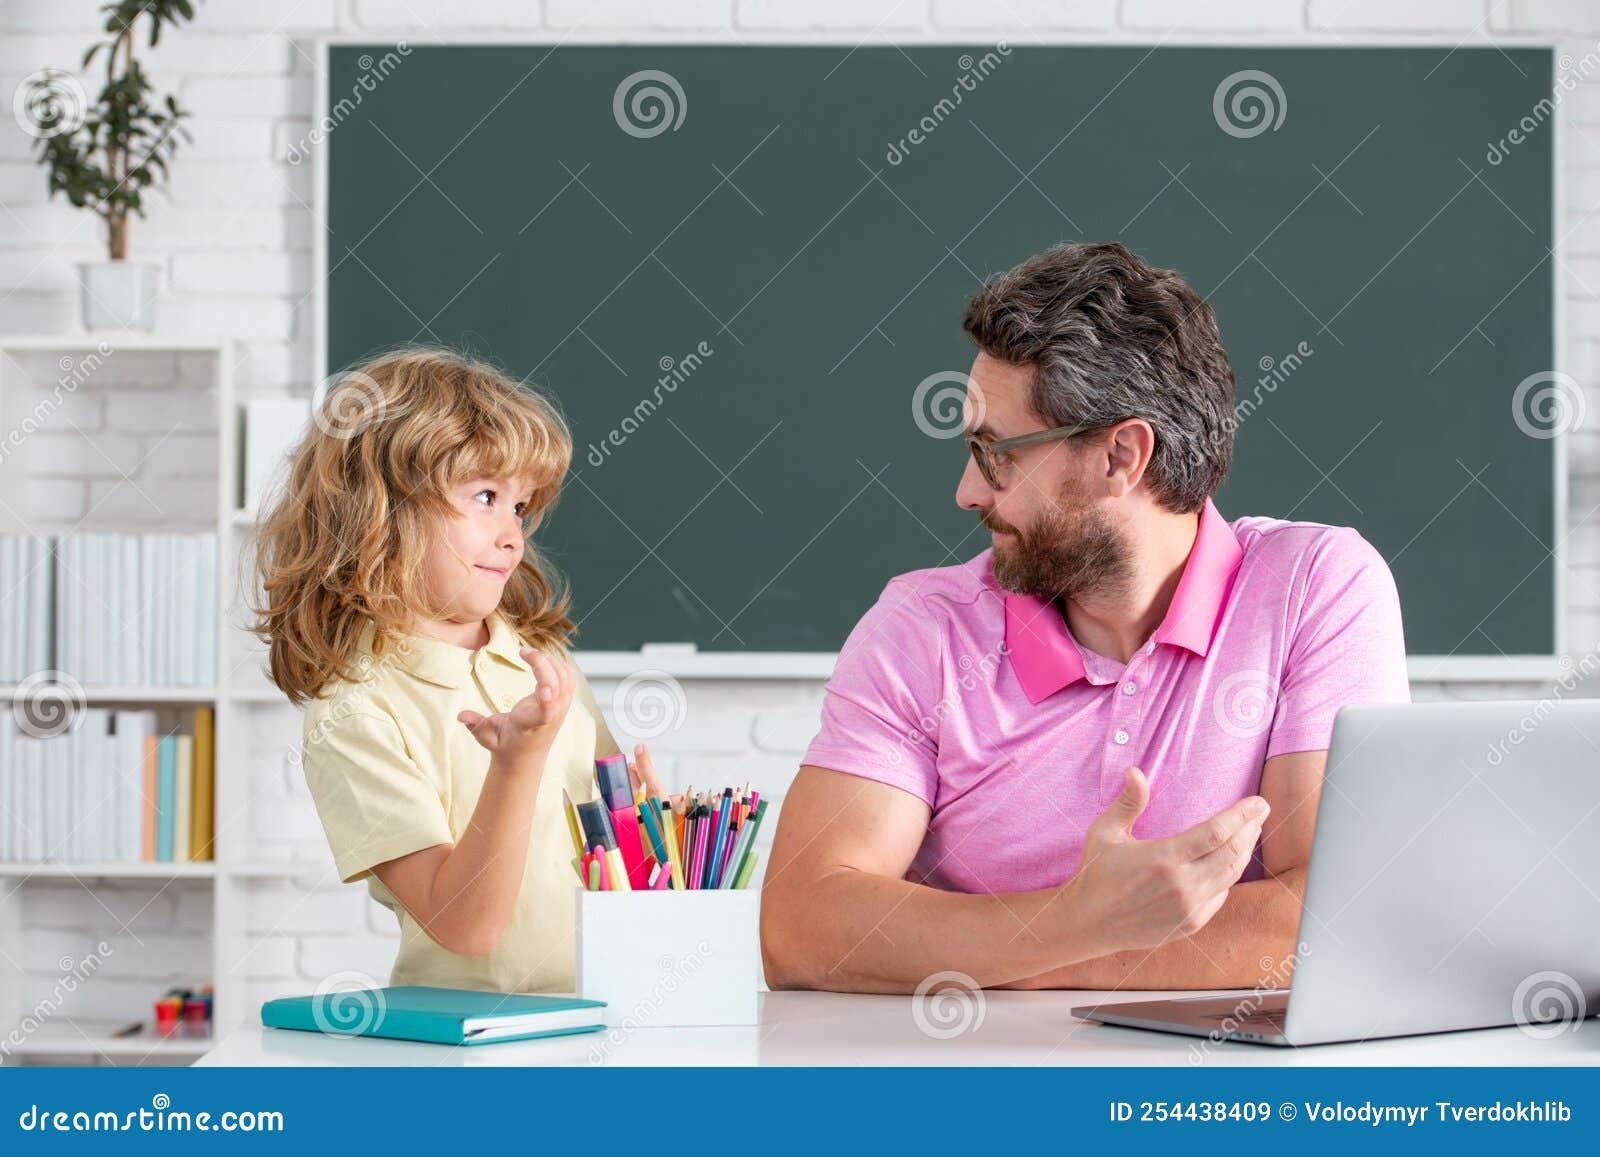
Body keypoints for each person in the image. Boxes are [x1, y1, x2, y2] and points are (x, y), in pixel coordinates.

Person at [761, 242, 1409, 993]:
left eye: (996, 454)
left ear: (1120, 456)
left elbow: (1337, 919)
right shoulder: (922, 629)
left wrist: (1024, 947)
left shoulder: (1315, 587)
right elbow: (799, 928)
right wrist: (1076, 923)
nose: (968, 491)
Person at [250, 347, 665, 994]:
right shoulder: (355, 712)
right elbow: (465, 926)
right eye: (486, 496)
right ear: (380, 509)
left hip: (603, 1008)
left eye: (520, 507)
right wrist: (516, 763)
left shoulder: (542, 664)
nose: (513, 535)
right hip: (470, 1032)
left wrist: (655, 838)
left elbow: (619, 868)